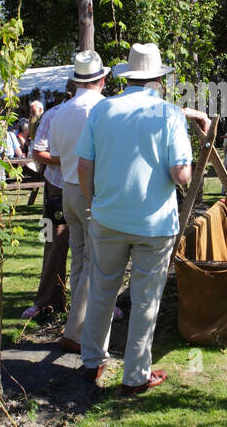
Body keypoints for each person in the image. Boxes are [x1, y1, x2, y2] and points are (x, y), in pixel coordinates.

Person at [76, 42, 195, 396]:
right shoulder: (169, 114)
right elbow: (181, 175)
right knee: (145, 299)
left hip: (108, 217)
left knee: (101, 290)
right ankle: (135, 375)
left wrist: (93, 201)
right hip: (153, 222)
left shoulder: (102, 110)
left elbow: (84, 165)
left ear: (128, 77)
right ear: (159, 78)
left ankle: (91, 360)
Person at [46, 49, 110, 352]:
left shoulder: (61, 112)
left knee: (80, 259)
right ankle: (79, 331)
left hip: (68, 189)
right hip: (92, 190)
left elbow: (56, 156)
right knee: (96, 263)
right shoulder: (103, 108)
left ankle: (76, 322)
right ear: (102, 78)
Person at [21, 90, 72, 321]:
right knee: (53, 242)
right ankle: (47, 302)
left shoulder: (102, 110)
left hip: (89, 186)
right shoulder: (53, 115)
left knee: (95, 247)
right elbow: (37, 152)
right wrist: (69, 159)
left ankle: (96, 305)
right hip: (58, 187)